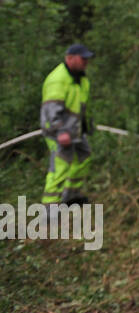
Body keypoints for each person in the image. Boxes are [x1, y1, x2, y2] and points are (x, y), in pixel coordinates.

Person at [40, 43, 95, 205]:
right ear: (69, 58)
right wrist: (61, 131)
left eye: (87, 59)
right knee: (60, 168)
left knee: (83, 158)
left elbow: (82, 107)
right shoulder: (58, 80)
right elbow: (51, 110)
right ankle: (49, 208)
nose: (86, 61)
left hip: (75, 131)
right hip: (59, 132)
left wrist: (87, 126)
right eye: (82, 58)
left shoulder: (81, 78)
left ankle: (70, 196)